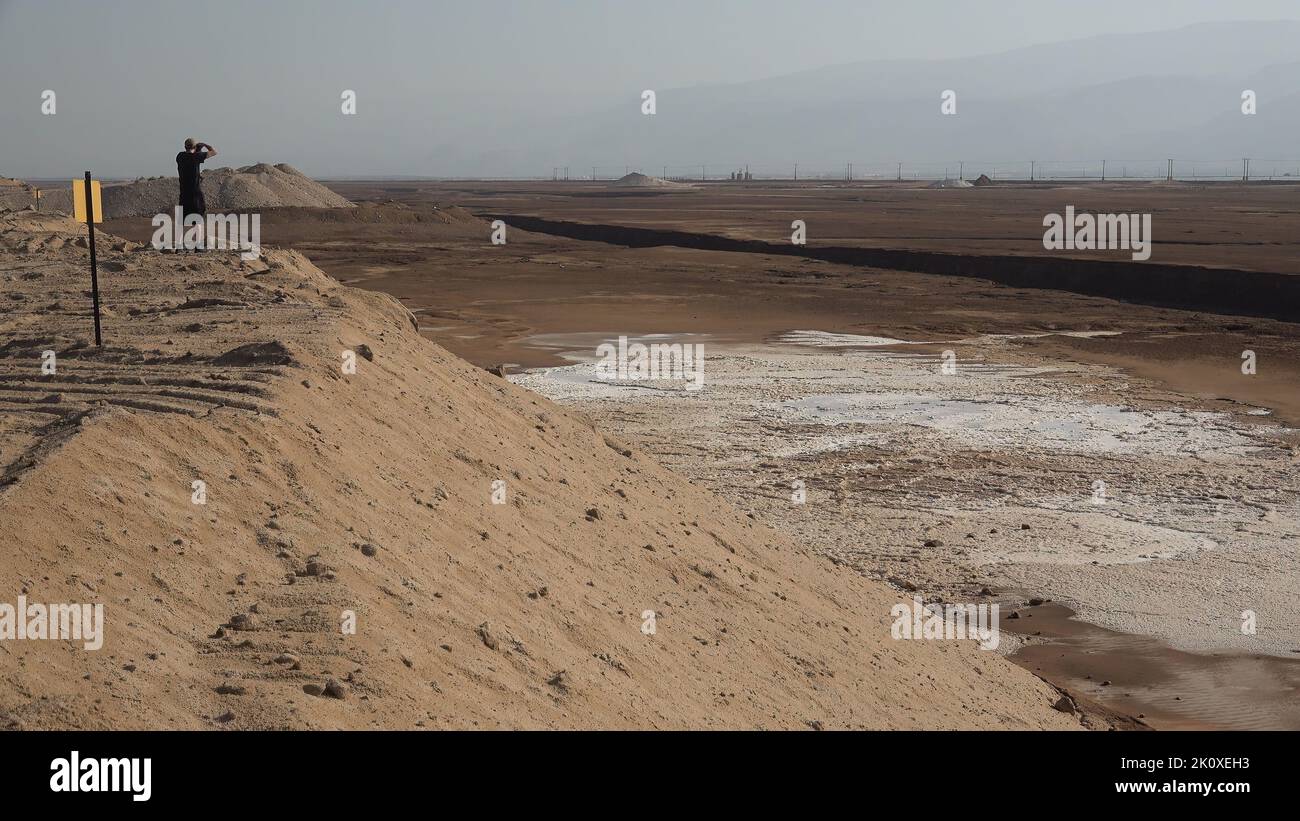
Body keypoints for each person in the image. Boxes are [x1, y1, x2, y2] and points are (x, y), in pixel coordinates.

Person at [176, 138, 217, 249]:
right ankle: (198, 246)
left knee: (181, 222)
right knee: (198, 221)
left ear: (185, 147)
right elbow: (214, 152)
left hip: (184, 193)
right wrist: (205, 144)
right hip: (195, 194)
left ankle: (179, 246)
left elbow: (190, 154)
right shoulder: (197, 157)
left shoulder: (180, 156)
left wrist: (196, 148)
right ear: (195, 147)